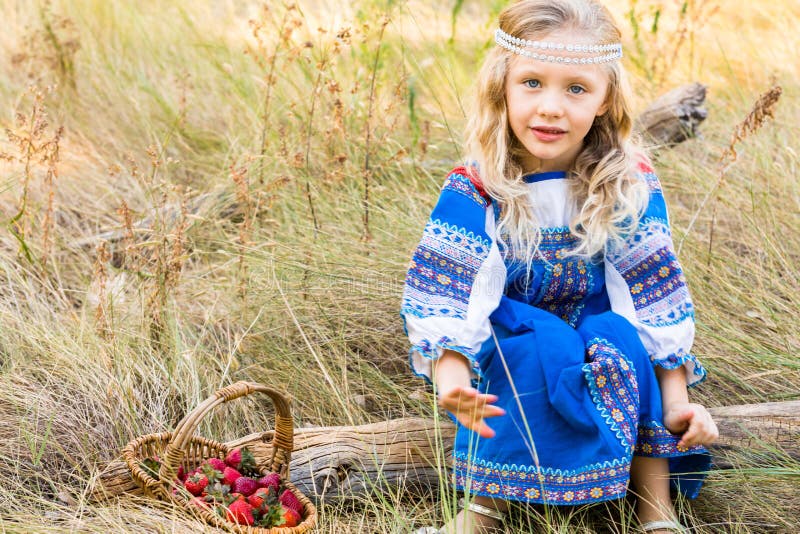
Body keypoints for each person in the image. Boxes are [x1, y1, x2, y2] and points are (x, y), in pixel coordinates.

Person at [399, 1, 719, 533]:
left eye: (576, 88)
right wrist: (450, 373)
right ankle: (481, 514)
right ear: (502, 85)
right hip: (514, 323)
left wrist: (677, 400)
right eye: (532, 83)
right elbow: (452, 285)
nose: (550, 108)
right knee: (535, 345)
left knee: (623, 337)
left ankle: (655, 512)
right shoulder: (479, 183)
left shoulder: (628, 181)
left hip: (595, 319)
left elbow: (650, 290)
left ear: (605, 99)